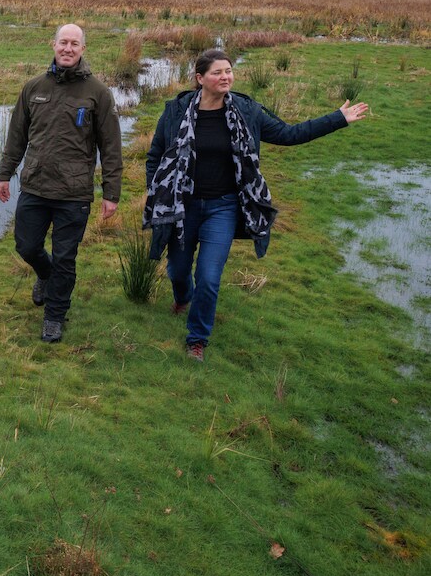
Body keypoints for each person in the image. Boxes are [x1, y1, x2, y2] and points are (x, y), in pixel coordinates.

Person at [143, 48, 369, 361]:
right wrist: (156, 193)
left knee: (209, 277)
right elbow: (155, 155)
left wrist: (337, 119)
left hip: (223, 207)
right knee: (178, 270)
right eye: (217, 72)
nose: (225, 77)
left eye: (228, 71)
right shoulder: (176, 110)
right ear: (200, 78)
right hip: (183, 206)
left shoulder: (247, 111)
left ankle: (197, 339)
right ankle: (183, 297)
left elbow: (289, 134)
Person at [0, 24, 122, 343]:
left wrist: (111, 193)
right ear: (53, 45)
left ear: (83, 49)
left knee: (65, 257)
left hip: (74, 192)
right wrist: (4, 174)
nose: (68, 48)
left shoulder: (97, 93)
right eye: (63, 42)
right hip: (35, 186)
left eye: (74, 44)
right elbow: (16, 136)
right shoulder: (34, 88)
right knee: (26, 246)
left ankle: (54, 316)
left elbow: (110, 146)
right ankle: (45, 275)